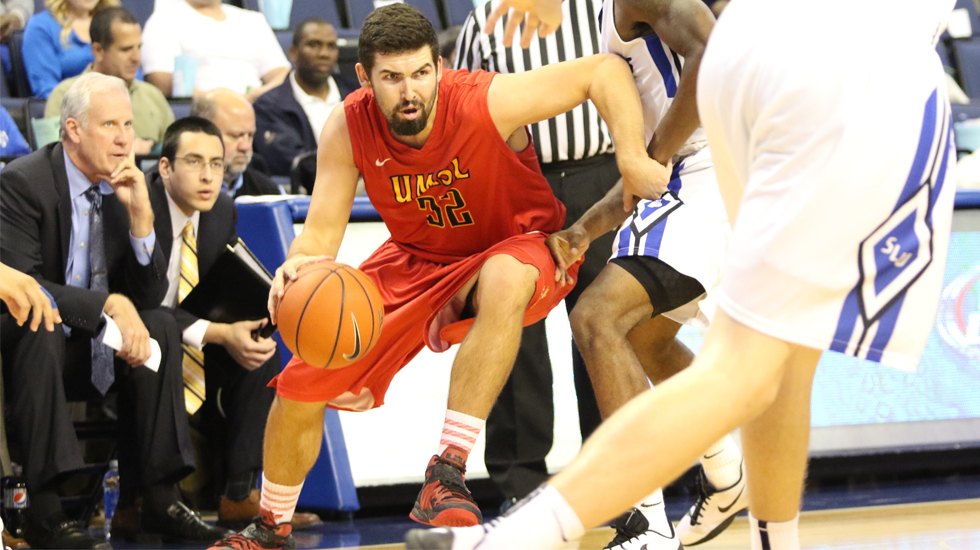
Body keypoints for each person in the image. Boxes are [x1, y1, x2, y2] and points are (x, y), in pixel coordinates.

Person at [406, 0, 958, 549]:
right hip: (780, 119)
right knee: (747, 365)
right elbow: (653, 158)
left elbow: (679, 116)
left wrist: (655, 155)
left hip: (807, 112)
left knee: (612, 323)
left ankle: (613, 525)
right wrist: (591, 224)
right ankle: (730, 483)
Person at [208, 4, 669, 549]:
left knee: (505, 274)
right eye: (393, 77)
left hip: (515, 247)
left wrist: (632, 156)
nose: (410, 91)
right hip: (417, 259)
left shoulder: (483, 100)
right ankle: (270, 525)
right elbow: (319, 236)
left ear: (440, 66)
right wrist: (299, 261)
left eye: (421, 73)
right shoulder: (348, 125)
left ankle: (447, 471)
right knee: (303, 378)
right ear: (363, 78)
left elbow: (604, 71)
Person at [0, 72, 230, 549]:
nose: (125, 137)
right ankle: (45, 510)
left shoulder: (126, 186)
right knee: (37, 320)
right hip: (37, 344)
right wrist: (108, 303)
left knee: (162, 325)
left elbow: (145, 300)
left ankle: (158, 500)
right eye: (110, 125)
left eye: (127, 123)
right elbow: (24, 287)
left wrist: (143, 219)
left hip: (95, 347)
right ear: (72, 130)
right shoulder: (22, 184)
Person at [453, 0, 613, 511]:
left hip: (600, 179)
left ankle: (614, 481)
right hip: (517, 183)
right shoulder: (486, 15)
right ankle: (520, 487)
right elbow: (461, 99)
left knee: (605, 327)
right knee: (512, 331)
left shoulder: (608, 8)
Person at [146, 116, 322, 531]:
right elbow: (143, 304)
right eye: (194, 162)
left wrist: (254, 320)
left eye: (217, 165)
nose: (209, 176)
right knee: (160, 334)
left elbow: (215, 292)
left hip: (194, 331)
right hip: (142, 333)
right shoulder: (140, 207)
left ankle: (241, 492)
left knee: (260, 349)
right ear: (166, 167)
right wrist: (221, 333)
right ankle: (149, 496)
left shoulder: (222, 209)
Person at [46, 7, 175, 156]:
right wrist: (126, 151)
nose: (136, 58)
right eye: (126, 49)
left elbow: (173, 159)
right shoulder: (63, 96)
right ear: (98, 51)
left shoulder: (154, 97)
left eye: (139, 47)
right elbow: (54, 159)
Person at [253, 18, 357, 177]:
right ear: (293, 53)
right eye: (314, 45)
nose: (324, 54)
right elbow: (297, 165)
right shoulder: (269, 106)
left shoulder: (358, 95)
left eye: (331, 46)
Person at [141, 0, 290, 102]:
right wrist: (220, 101)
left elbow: (281, 74)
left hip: (259, 107)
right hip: (202, 111)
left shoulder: (253, 20)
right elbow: (162, 82)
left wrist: (257, 95)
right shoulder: (164, 19)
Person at [192, 88, 283, 198]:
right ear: (202, 133)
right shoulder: (179, 193)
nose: (246, 147)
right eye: (234, 136)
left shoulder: (268, 192)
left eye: (250, 136)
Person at [22, 0, 118, 98]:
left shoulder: (115, 23)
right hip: (68, 109)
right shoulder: (41, 26)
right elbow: (48, 91)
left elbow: (131, 76)